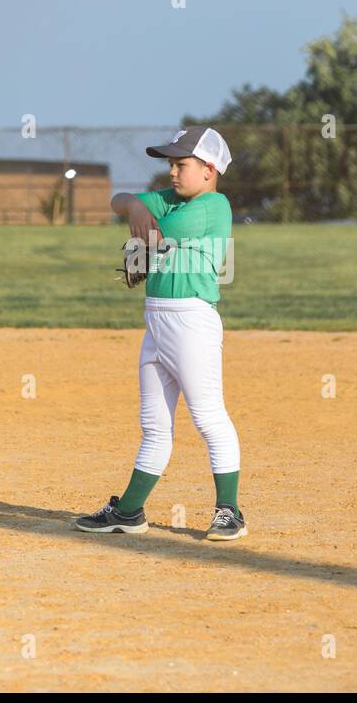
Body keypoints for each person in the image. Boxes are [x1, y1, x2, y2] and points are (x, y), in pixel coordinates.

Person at [74, 127, 245, 541]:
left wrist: (139, 214)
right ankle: (129, 511)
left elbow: (154, 236)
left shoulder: (213, 205)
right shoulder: (172, 200)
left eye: (180, 164)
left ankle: (230, 511)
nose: (172, 172)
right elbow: (119, 202)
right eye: (169, 164)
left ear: (209, 169)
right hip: (157, 321)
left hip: (191, 322)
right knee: (154, 424)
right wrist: (133, 203)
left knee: (207, 415)